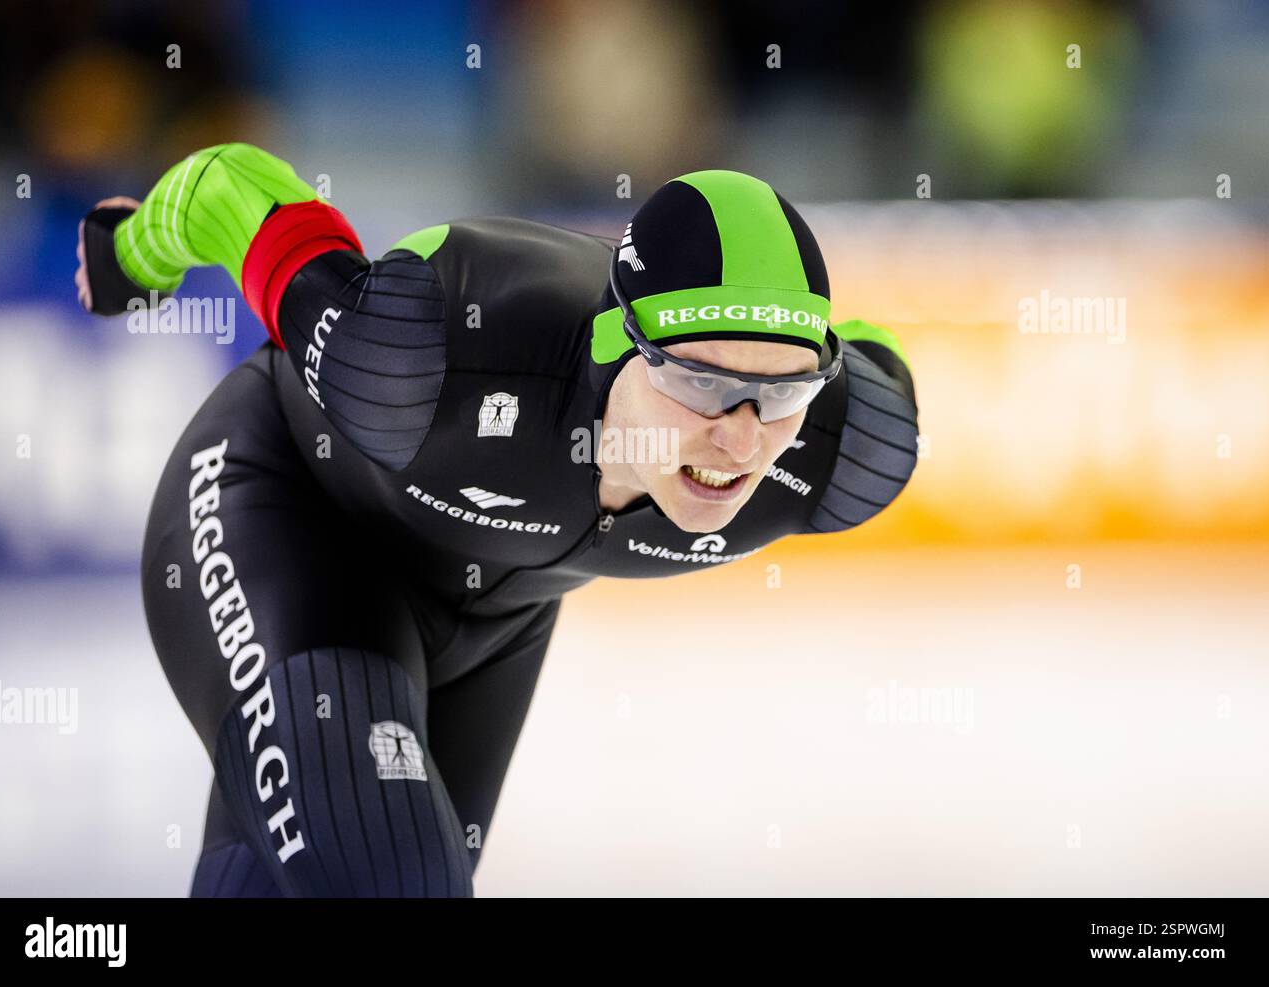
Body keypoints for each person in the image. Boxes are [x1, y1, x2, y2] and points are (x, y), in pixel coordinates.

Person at [74, 143, 919, 897]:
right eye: (699, 383)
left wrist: (780, 387)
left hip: (495, 623)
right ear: (618, 345)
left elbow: (874, 350)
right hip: (286, 515)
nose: (740, 436)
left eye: (781, 393)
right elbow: (232, 189)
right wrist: (131, 255)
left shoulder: (843, 448)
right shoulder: (422, 354)